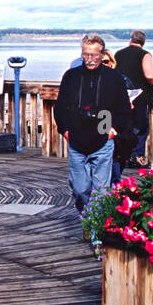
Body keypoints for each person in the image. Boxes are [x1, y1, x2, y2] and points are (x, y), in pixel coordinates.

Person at [56, 34, 133, 212]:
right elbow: (60, 107)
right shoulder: (71, 76)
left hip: (103, 131)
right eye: (86, 54)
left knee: (101, 190)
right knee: (80, 188)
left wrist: (113, 131)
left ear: (102, 54)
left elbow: (124, 109)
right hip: (77, 135)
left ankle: (95, 231)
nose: (90, 59)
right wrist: (65, 130)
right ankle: (86, 215)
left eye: (94, 55)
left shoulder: (114, 78)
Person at [114, 30, 153, 167]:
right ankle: (136, 157)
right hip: (139, 96)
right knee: (142, 127)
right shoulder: (145, 54)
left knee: (125, 126)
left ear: (131, 39)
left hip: (121, 96)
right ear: (143, 42)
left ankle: (123, 155)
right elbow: (149, 76)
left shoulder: (118, 54)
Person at [102, 49, 138, 186]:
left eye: (106, 62)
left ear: (112, 62)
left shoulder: (123, 80)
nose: (103, 65)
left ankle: (111, 197)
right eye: (101, 62)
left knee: (117, 165)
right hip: (102, 126)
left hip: (121, 129)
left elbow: (135, 104)